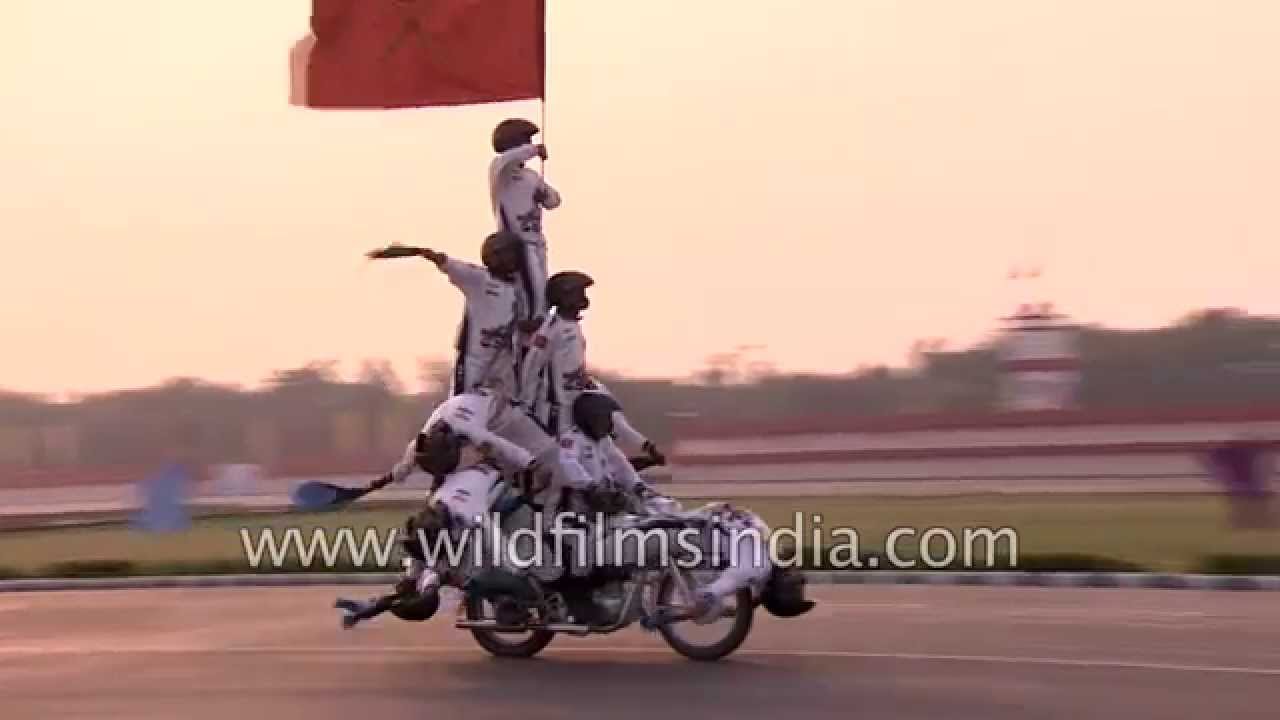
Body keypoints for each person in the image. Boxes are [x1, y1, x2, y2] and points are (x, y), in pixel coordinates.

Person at [382, 231, 525, 397]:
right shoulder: (478, 279)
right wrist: (418, 252)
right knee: (463, 404)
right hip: (474, 359)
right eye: (510, 254)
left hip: (502, 361)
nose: (515, 259)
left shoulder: (517, 290)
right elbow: (447, 263)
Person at [490, 118, 560, 330]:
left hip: (536, 240)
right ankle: (527, 324)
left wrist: (543, 195)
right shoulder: (500, 171)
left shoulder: (530, 176)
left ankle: (538, 321)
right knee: (530, 286)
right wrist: (534, 150)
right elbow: (509, 159)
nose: (528, 144)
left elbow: (554, 201)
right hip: (515, 241)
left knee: (541, 289)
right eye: (524, 140)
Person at [519, 271, 595, 436]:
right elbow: (532, 365)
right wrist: (526, 405)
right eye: (578, 292)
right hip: (555, 409)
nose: (582, 297)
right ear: (563, 296)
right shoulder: (552, 327)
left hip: (574, 404)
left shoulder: (574, 326)